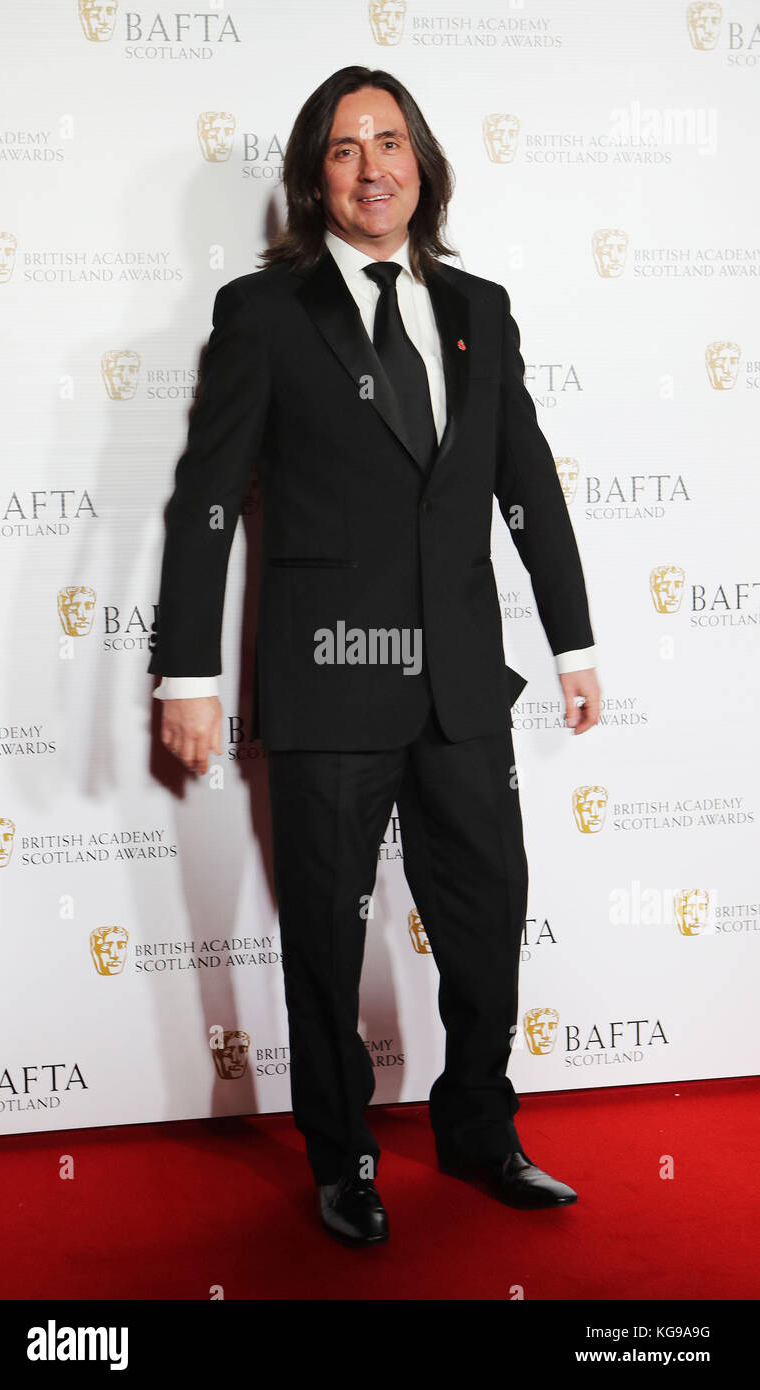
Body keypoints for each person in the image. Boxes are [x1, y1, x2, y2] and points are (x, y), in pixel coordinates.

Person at [148, 65, 600, 1248]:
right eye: (346, 149)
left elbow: (528, 487)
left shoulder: (481, 309)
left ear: (423, 163)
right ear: (315, 176)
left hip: (461, 686)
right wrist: (185, 675)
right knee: (324, 941)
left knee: (489, 913)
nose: (373, 168)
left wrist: (575, 639)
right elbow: (204, 500)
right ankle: (343, 1155)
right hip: (326, 681)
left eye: (390, 142)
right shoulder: (265, 313)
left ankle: (479, 1129)